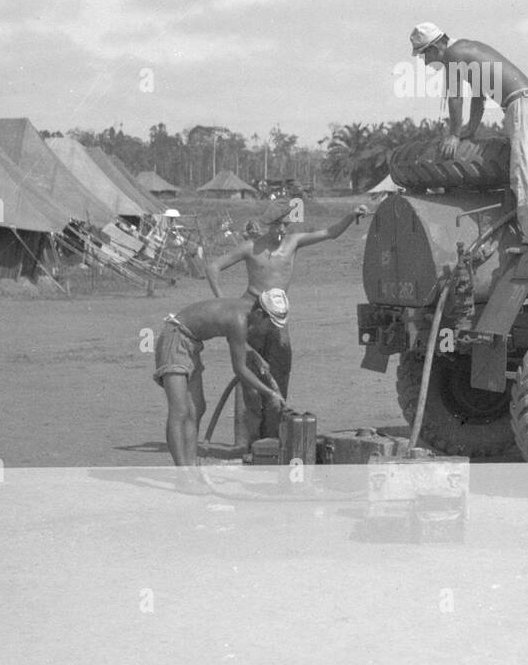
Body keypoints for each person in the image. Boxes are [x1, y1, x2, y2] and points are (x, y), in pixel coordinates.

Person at [203, 197, 368, 442]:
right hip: (251, 315)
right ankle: (248, 441)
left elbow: (331, 233)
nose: (282, 230)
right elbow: (213, 267)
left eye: (285, 225)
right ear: (267, 224)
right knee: (249, 376)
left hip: (278, 318)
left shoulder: (293, 243)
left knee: (279, 373)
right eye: (277, 225)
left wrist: (350, 214)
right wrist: (225, 305)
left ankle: (272, 438)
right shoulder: (251, 247)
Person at [409, 22, 528, 241]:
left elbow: (456, 96)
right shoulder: (466, 50)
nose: (426, 61)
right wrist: (470, 129)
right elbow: (478, 97)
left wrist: (453, 134)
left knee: (524, 177)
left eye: (424, 55)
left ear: (434, 47)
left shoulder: (452, 54)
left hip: (522, 107)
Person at [152, 290, 290, 476]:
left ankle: (191, 467)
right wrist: (271, 393)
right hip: (175, 338)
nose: (271, 329)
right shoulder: (240, 320)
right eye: (271, 323)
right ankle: (183, 474)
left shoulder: (246, 310)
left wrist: (254, 355)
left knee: (197, 408)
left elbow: (236, 340)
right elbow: (240, 370)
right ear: (259, 314)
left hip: (191, 344)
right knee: (180, 411)